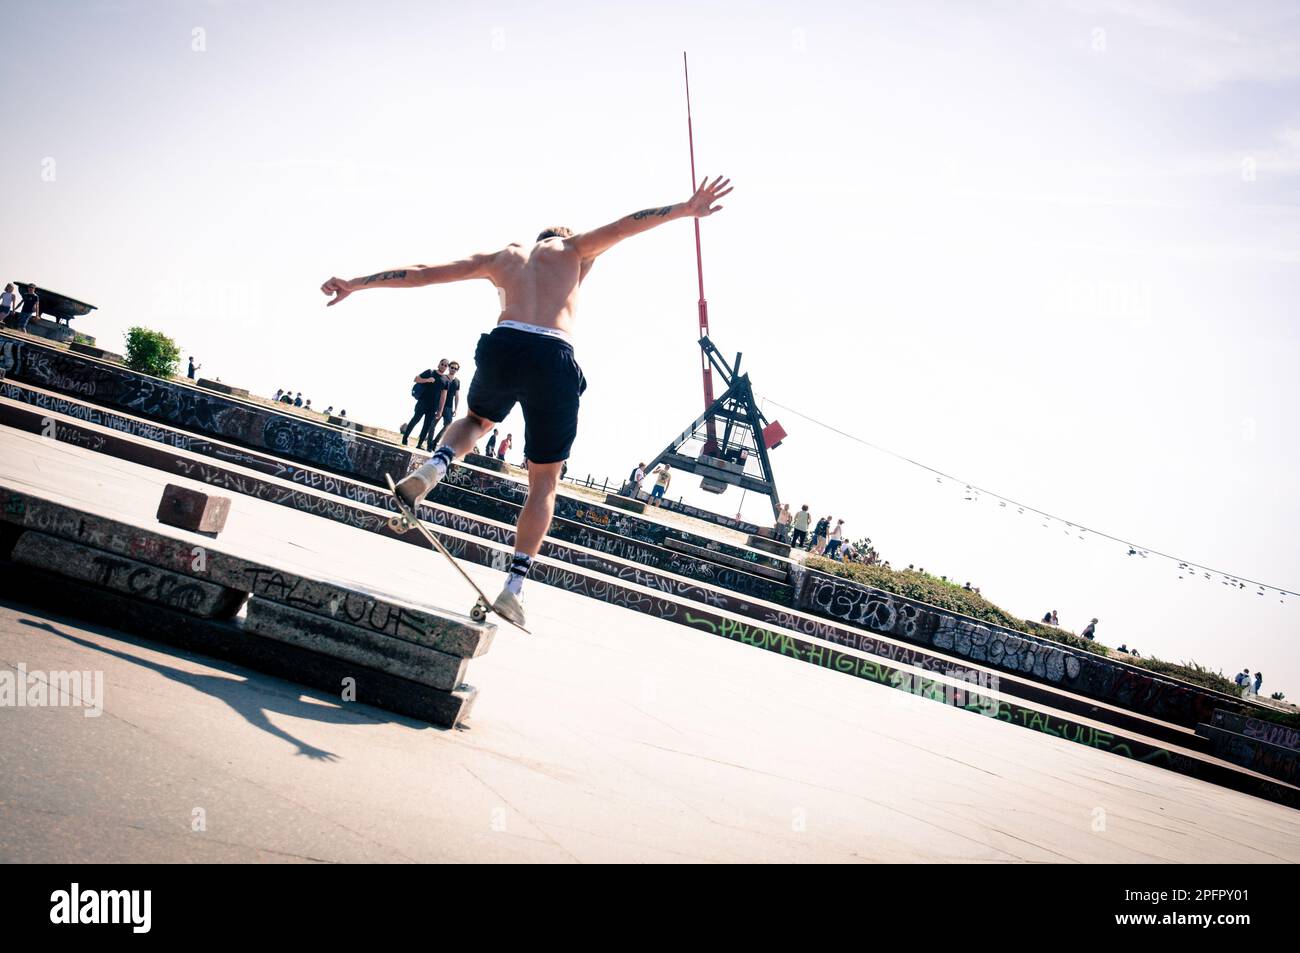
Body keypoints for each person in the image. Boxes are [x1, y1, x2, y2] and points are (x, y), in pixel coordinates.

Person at [321, 174, 733, 626]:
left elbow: (423, 274)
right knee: (544, 481)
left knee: (477, 419)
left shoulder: (504, 258)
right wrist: (684, 208)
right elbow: (625, 225)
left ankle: (435, 466)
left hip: (503, 344)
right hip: (553, 355)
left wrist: (356, 283)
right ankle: (514, 586)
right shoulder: (574, 249)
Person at [404, 360, 449, 450]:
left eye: (445, 365)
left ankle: (419, 444)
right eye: (442, 364)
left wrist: (440, 411)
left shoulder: (446, 380)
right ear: (439, 364)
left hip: (433, 406)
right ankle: (405, 438)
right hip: (422, 402)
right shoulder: (430, 372)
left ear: (446, 367)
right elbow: (416, 379)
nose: (443, 366)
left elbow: (443, 396)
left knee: (427, 425)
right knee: (415, 419)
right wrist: (427, 380)